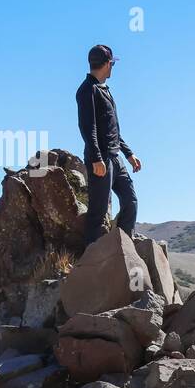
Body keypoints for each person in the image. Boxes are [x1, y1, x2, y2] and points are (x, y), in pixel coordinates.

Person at [76, 44, 142, 246]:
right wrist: (96, 158)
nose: (113, 67)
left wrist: (128, 154)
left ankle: (122, 247)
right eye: (112, 63)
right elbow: (88, 128)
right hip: (101, 159)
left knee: (130, 201)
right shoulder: (87, 90)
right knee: (98, 210)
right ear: (107, 64)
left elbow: (113, 130)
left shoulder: (105, 90)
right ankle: (91, 260)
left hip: (115, 158)